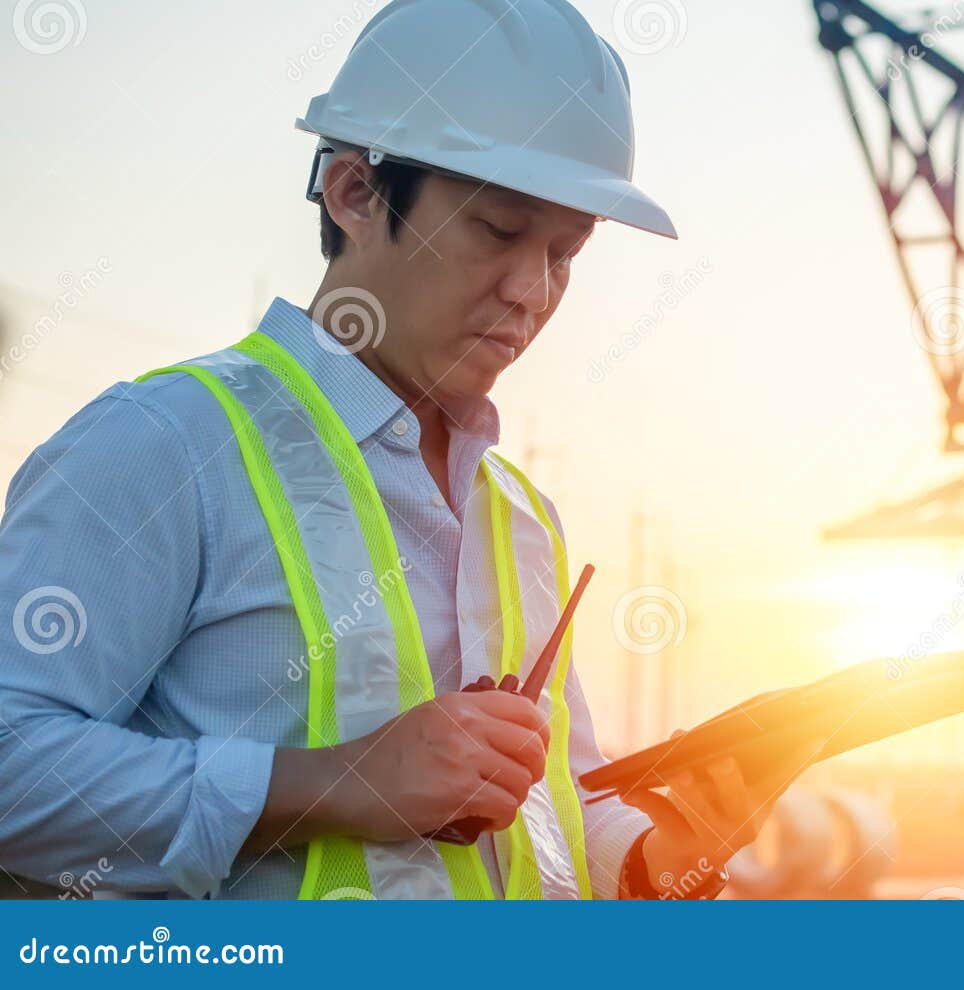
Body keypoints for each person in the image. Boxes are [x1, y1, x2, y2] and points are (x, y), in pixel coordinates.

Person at [0, 0, 806, 900]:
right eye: (498, 231)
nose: (531, 291)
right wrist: (328, 785)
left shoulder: (520, 517)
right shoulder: (164, 444)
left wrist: (671, 856)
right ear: (353, 192)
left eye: (567, 253)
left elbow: (555, 812)